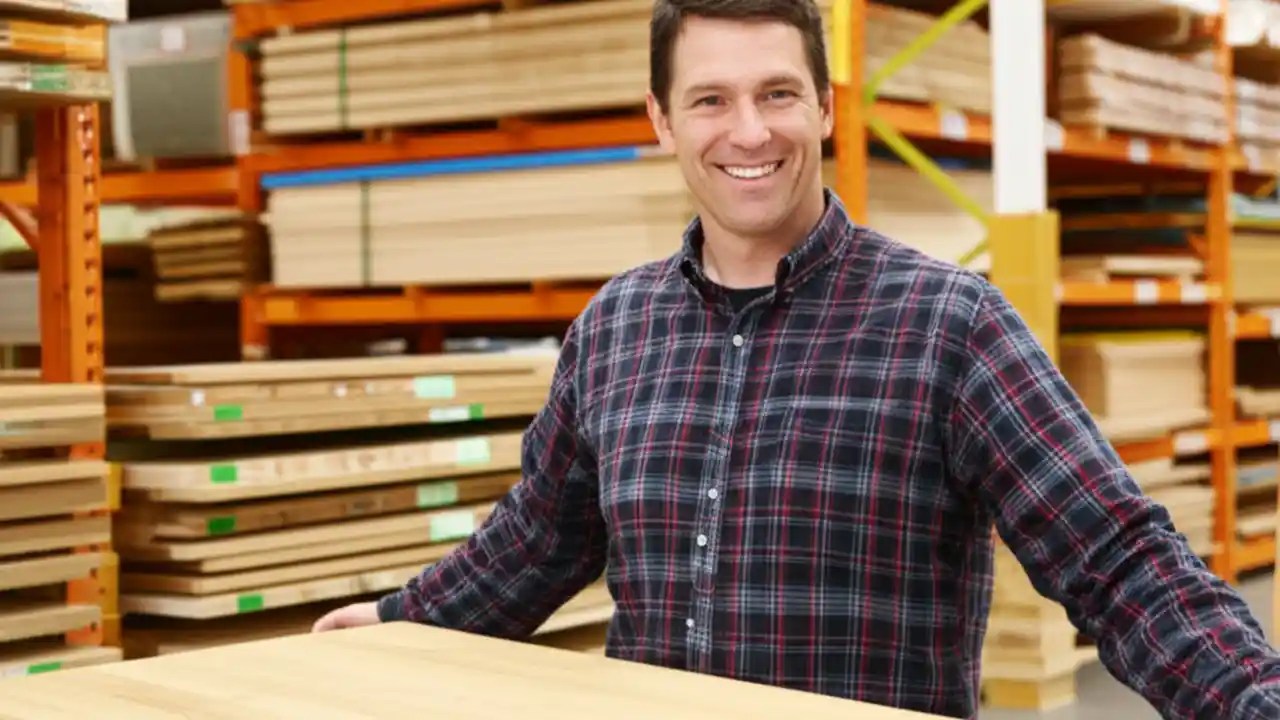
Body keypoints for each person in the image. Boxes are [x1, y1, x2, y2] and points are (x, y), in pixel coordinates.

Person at [312, 0, 1280, 716]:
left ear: (823, 105)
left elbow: (1114, 557)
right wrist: (398, 619)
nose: (747, 131)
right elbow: (535, 544)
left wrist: (1248, 698)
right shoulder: (615, 328)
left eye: (777, 93)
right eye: (709, 100)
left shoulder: (947, 325)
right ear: (660, 120)